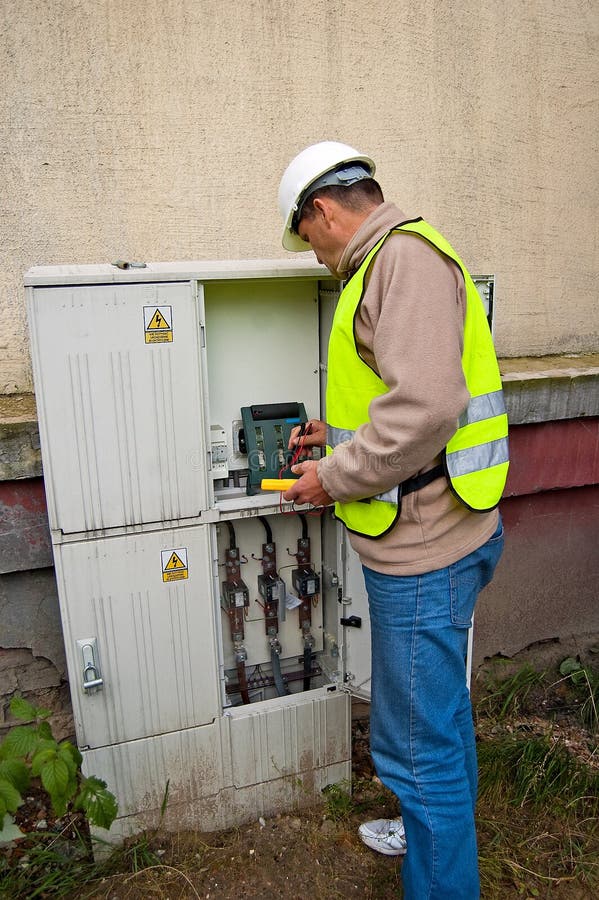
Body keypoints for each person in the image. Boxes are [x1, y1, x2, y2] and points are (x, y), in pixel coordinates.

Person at [277, 141, 508, 900]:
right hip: (444, 533)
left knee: (414, 746)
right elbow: (400, 397)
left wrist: (332, 477)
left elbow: (427, 408)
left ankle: (441, 878)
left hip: (424, 554)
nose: (311, 254)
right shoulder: (398, 258)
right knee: (435, 719)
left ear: (324, 211)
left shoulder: (397, 262)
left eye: (305, 236)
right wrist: (332, 438)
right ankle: (437, 831)